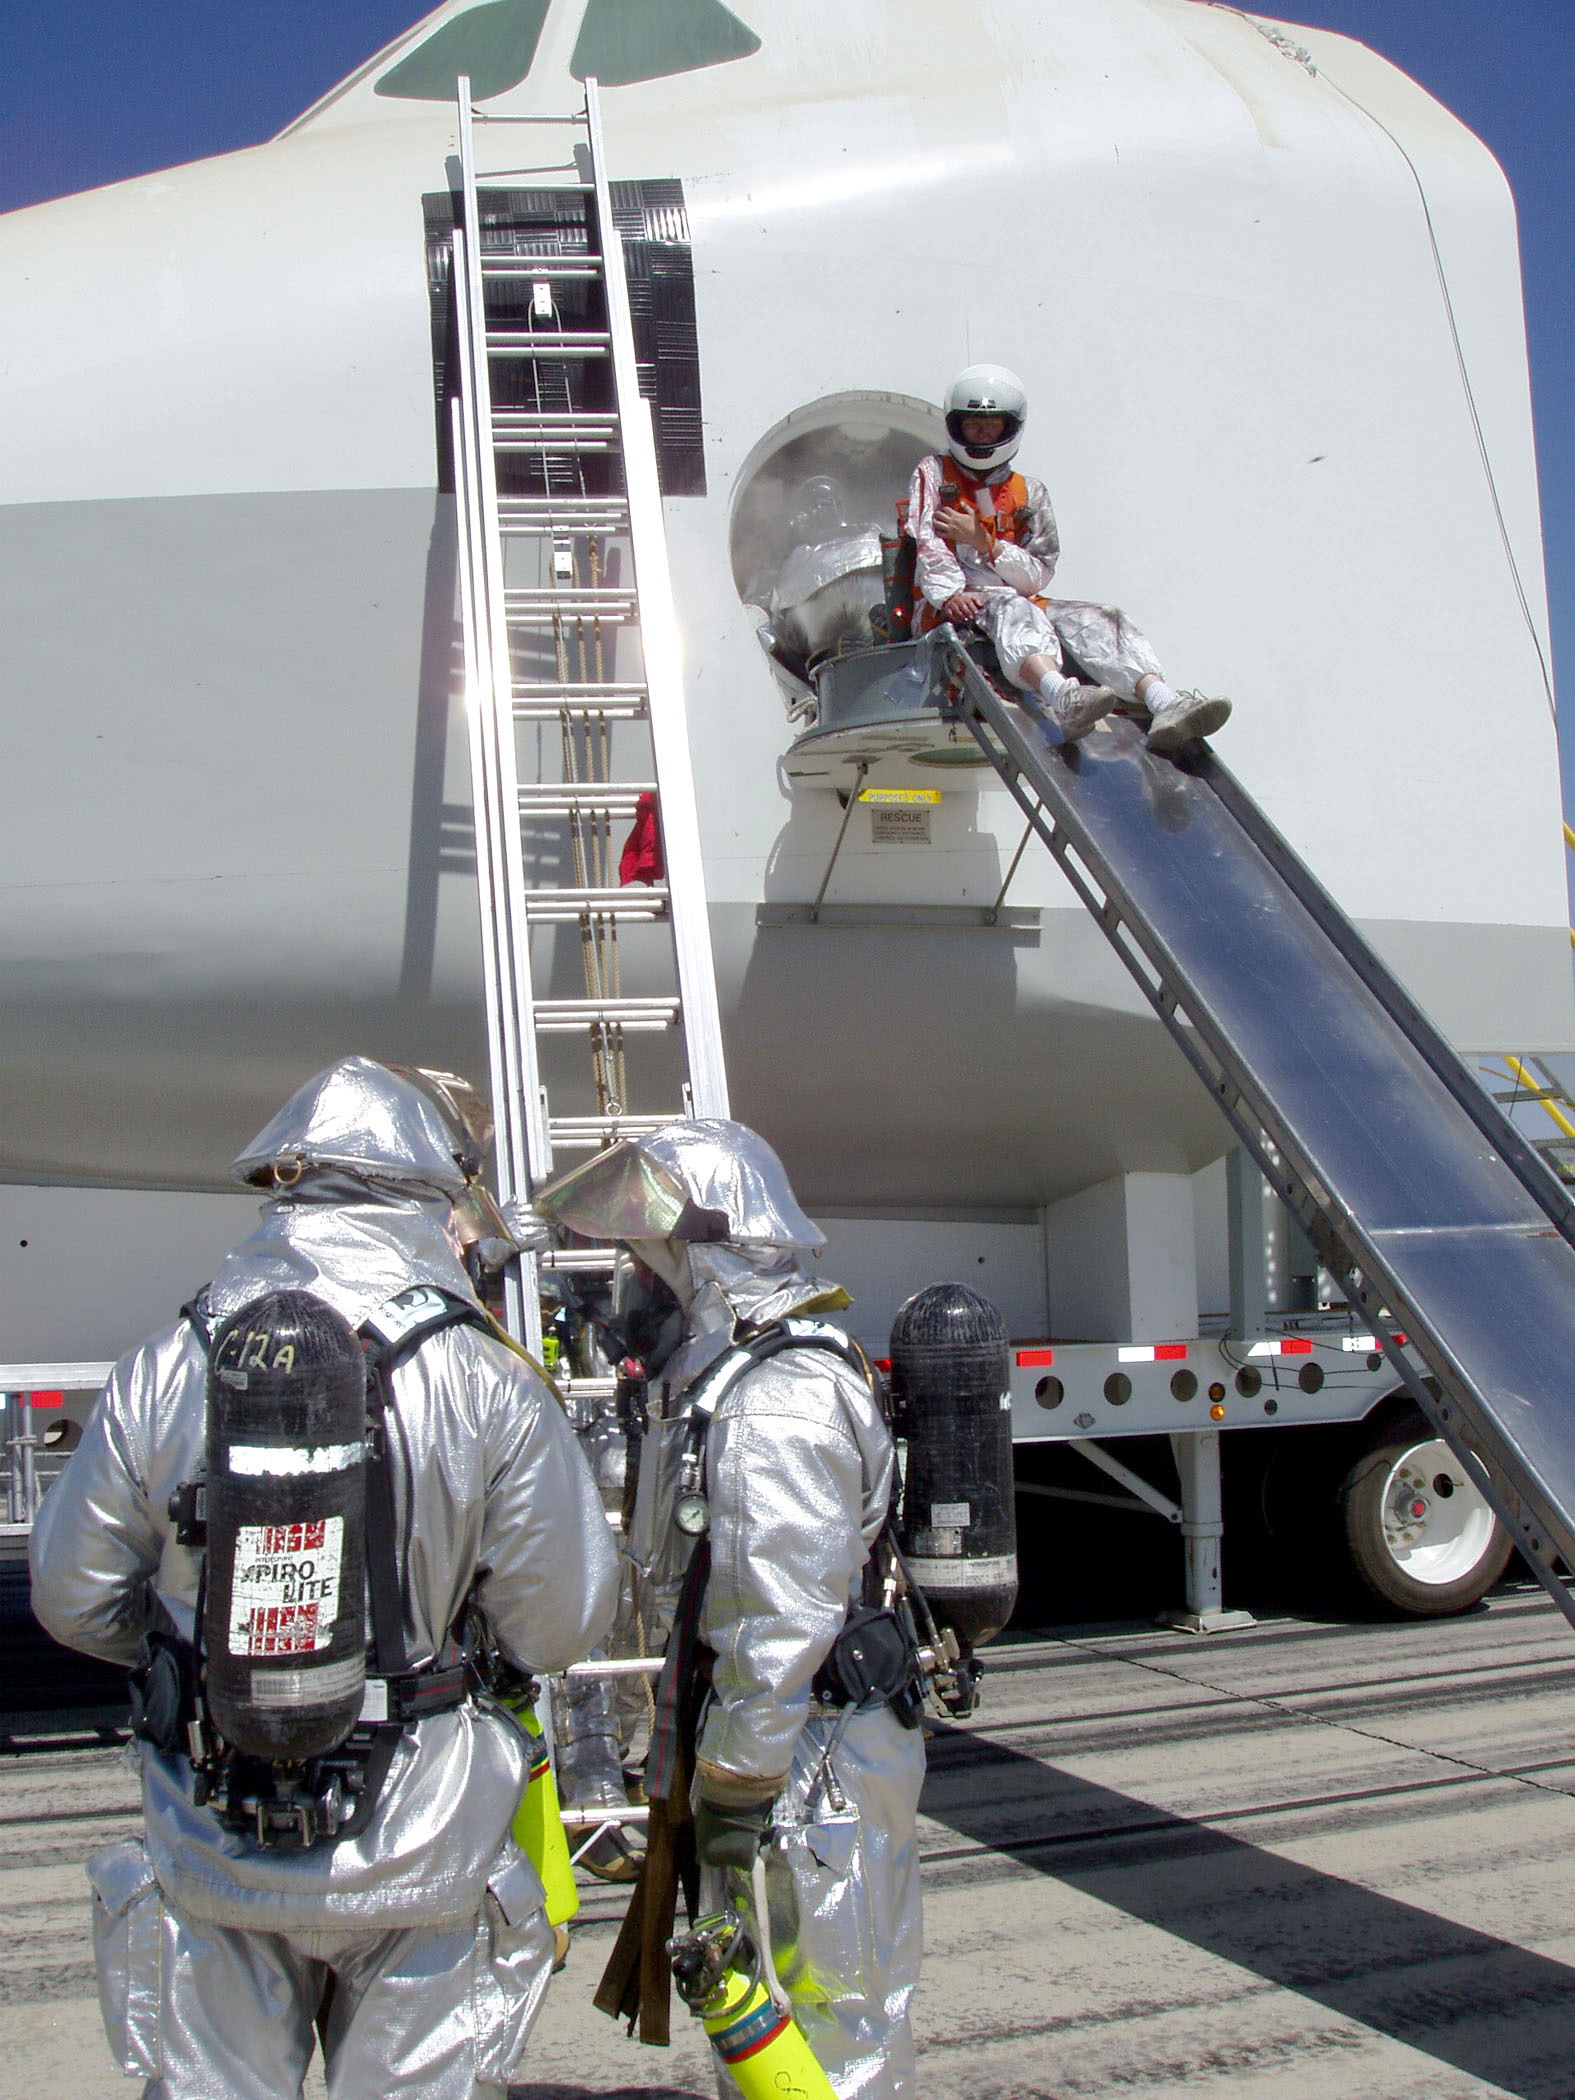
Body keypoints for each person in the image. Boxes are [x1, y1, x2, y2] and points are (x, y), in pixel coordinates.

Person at [29, 1054, 619, 2100]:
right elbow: (562, 1623)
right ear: (430, 1196)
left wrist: (207, 1666)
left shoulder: (170, 1360)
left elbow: (73, 1597)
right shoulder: (487, 1377)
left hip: (212, 1847)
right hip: (423, 1860)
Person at [533, 1118, 924, 2100]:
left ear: (705, 1257)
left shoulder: (777, 1396)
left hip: (806, 1765)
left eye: (645, 1259)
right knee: (754, 2016)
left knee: (830, 2025)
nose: (629, 1284)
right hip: (772, 1750)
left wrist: (732, 1802)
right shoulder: (723, 1381)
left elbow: (777, 1629)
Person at [910, 363, 1233, 752]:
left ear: (1010, 428)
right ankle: (1065, 697)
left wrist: (987, 544)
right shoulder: (933, 472)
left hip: (1017, 600)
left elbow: (1036, 575)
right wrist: (949, 595)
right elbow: (927, 542)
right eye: (973, 424)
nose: (981, 434)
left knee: (1103, 619)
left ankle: (1164, 702)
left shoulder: (1030, 493)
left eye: (992, 425)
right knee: (1017, 608)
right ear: (956, 425)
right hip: (949, 607)